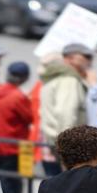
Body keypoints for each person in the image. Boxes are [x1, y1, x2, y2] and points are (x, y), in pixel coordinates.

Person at [0, 62, 35, 193]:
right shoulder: (18, 97)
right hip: (12, 145)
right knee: (12, 182)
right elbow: (29, 117)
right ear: (25, 78)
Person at [39, 43, 92, 175]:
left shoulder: (56, 76)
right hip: (66, 145)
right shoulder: (69, 79)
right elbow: (65, 113)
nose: (90, 60)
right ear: (69, 58)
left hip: (53, 140)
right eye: (86, 56)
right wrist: (68, 147)